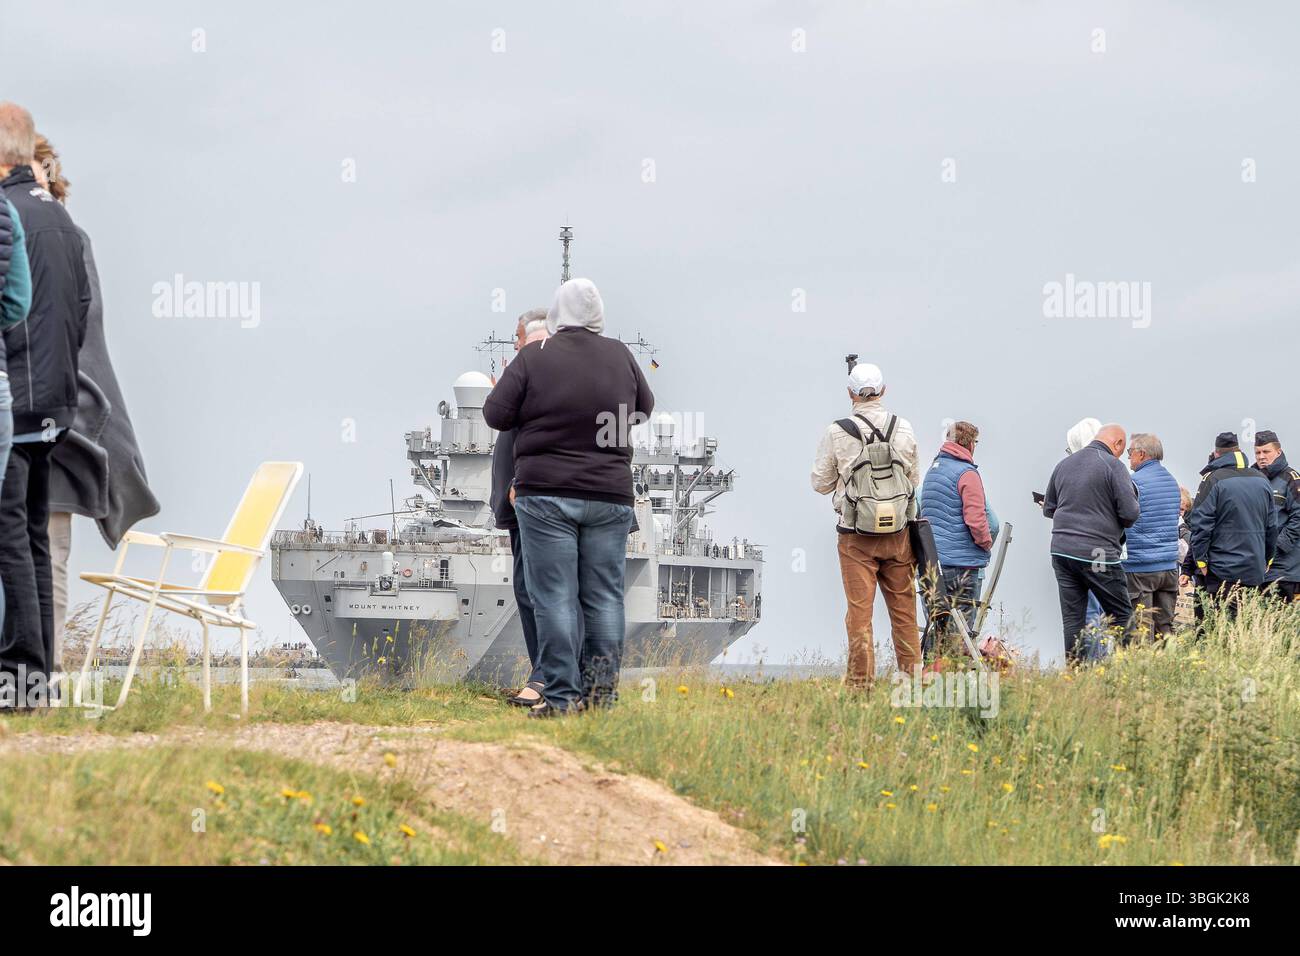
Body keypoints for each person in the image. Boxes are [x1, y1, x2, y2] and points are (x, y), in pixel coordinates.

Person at [482, 278, 653, 717]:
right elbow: (644, 408)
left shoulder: (535, 356)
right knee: (604, 598)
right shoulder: (620, 354)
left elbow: (495, 414)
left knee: (555, 595)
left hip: (548, 495)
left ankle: (559, 698)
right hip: (611, 494)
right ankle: (602, 699)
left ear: (557, 314)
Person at [34, 135, 160, 676]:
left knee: (48, 551)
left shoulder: (69, 242)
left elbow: (87, 341)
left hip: (54, 424)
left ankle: (43, 674)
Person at [0, 103, 91, 708]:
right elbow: (80, 309)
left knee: (11, 534)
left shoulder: (9, 213)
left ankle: (17, 677)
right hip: (56, 398)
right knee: (31, 534)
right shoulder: (61, 219)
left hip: (20, 393)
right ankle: (36, 681)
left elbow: (12, 309)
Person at [811, 362, 921, 688]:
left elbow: (819, 482)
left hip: (855, 536)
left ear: (850, 393)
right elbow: (913, 479)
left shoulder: (837, 430)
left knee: (859, 616)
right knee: (904, 614)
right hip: (900, 534)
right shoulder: (904, 428)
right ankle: (912, 685)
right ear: (884, 390)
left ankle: (861, 686)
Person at [488, 307, 549, 706]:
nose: (514, 343)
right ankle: (545, 675)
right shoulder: (531, 373)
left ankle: (545, 679)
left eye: (518, 335)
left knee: (538, 589)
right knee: (528, 588)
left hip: (531, 497)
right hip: (519, 501)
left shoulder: (539, 372)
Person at [1042, 423, 1139, 663]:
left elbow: (1049, 508)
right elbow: (1130, 514)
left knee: (1073, 619)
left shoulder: (1064, 465)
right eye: (1121, 449)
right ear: (1117, 444)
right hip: (1097, 553)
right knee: (1121, 615)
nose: (1120, 455)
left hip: (1062, 552)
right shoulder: (1113, 466)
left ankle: (1076, 675)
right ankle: (1134, 672)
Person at [919, 420, 999, 654]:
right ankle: (956, 675)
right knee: (962, 629)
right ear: (971, 444)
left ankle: (931, 672)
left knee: (937, 623)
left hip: (932, 563)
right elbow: (977, 520)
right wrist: (985, 545)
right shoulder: (967, 473)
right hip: (961, 564)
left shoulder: (933, 470)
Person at [1185, 432, 1277, 618]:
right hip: (1253, 569)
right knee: (1245, 624)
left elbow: (1201, 525)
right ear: (1239, 452)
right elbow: (1272, 527)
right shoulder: (1261, 479)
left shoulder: (1213, 479)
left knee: (1218, 625)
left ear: (1217, 454)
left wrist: (1201, 561)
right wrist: (1267, 558)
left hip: (1221, 570)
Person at [1121, 433, 1181, 638]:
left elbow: (1123, 518)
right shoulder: (1172, 482)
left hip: (1140, 568)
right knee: (1165, 629)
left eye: (1130, 452)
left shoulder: (1134, 483)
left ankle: (1142, 670)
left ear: (1142, 454)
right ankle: (1170, 668)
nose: (1128, 457)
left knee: (1140, 630)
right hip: (1169, 567)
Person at [1253, 430, 1300, 602]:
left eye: (1266, 451)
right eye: (1257, 452)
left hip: (1283, 567)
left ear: (1278, 452)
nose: (1261, 456)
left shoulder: (1292, 479)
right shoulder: (1251, 479)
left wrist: (1276, 546)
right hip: (1257, 564)